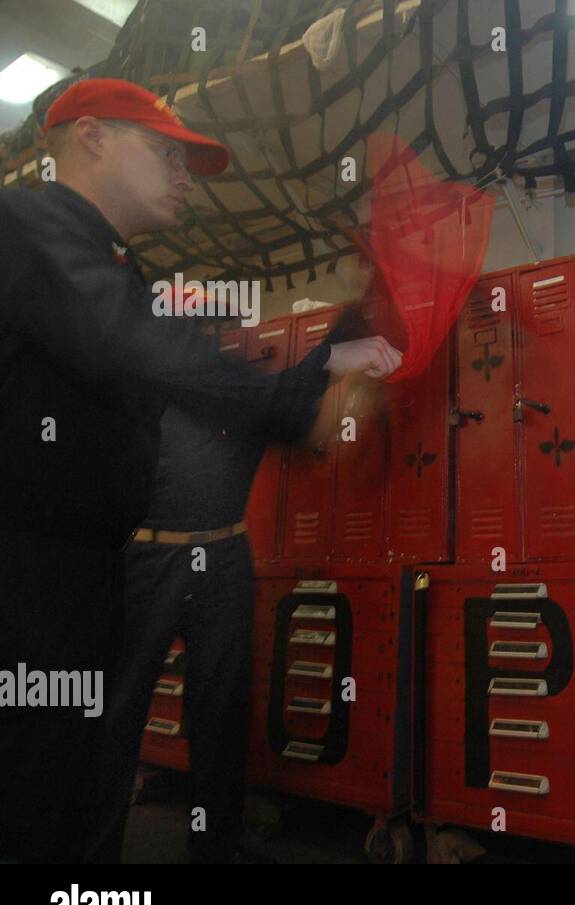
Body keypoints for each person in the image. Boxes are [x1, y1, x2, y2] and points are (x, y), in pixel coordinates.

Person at [0, 77, 401, 862]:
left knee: (115, 746)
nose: (186, 181)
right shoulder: (27, 225)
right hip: (37, 566)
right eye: (168, 156)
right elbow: (140, 343)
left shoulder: (101, 262)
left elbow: (172, 361)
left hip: (102, 564)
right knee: (52, 770)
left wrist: (334, 357)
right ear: (91, 138)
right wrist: (301, 407)